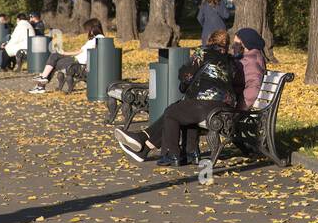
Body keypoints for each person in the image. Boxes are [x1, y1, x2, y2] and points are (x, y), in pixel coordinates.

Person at [114, 29, 244, 167]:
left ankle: (171, 154)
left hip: (206, 105)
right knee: (183, 109)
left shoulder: (203, 52)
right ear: (226, 44)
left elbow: (185, 74)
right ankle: (154, 147)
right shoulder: (232, 61)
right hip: (225, 107)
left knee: (172, 113)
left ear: (210, 41)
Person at [27, 18, 103, 92]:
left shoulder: (99, 39)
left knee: (54, 62)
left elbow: (96, 54)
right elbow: (80, 51)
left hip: (79, 65)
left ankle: (41, 83)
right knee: (55, 56)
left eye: (89, 29)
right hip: (76, 61)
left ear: (93, 28)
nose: (88, 32)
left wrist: (88, 66)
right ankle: (42, 80)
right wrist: (64, 53)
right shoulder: (94, 39)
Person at [231, 27, 269, 109]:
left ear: (245, 45)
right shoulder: (244, 59)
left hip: (236, 109)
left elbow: (253, 87)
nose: (233, 47)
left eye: (236, 43)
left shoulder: (252, 62)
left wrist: (238, 109)